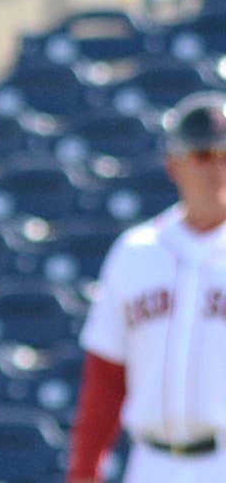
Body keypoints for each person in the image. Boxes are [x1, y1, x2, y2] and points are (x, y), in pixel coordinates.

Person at [67, 90, 226, 483]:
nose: (217, 169)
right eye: (204, 154)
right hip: (152, 464)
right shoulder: (136, 252)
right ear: (174, 164)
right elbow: (105, 375)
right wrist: (85, 469)